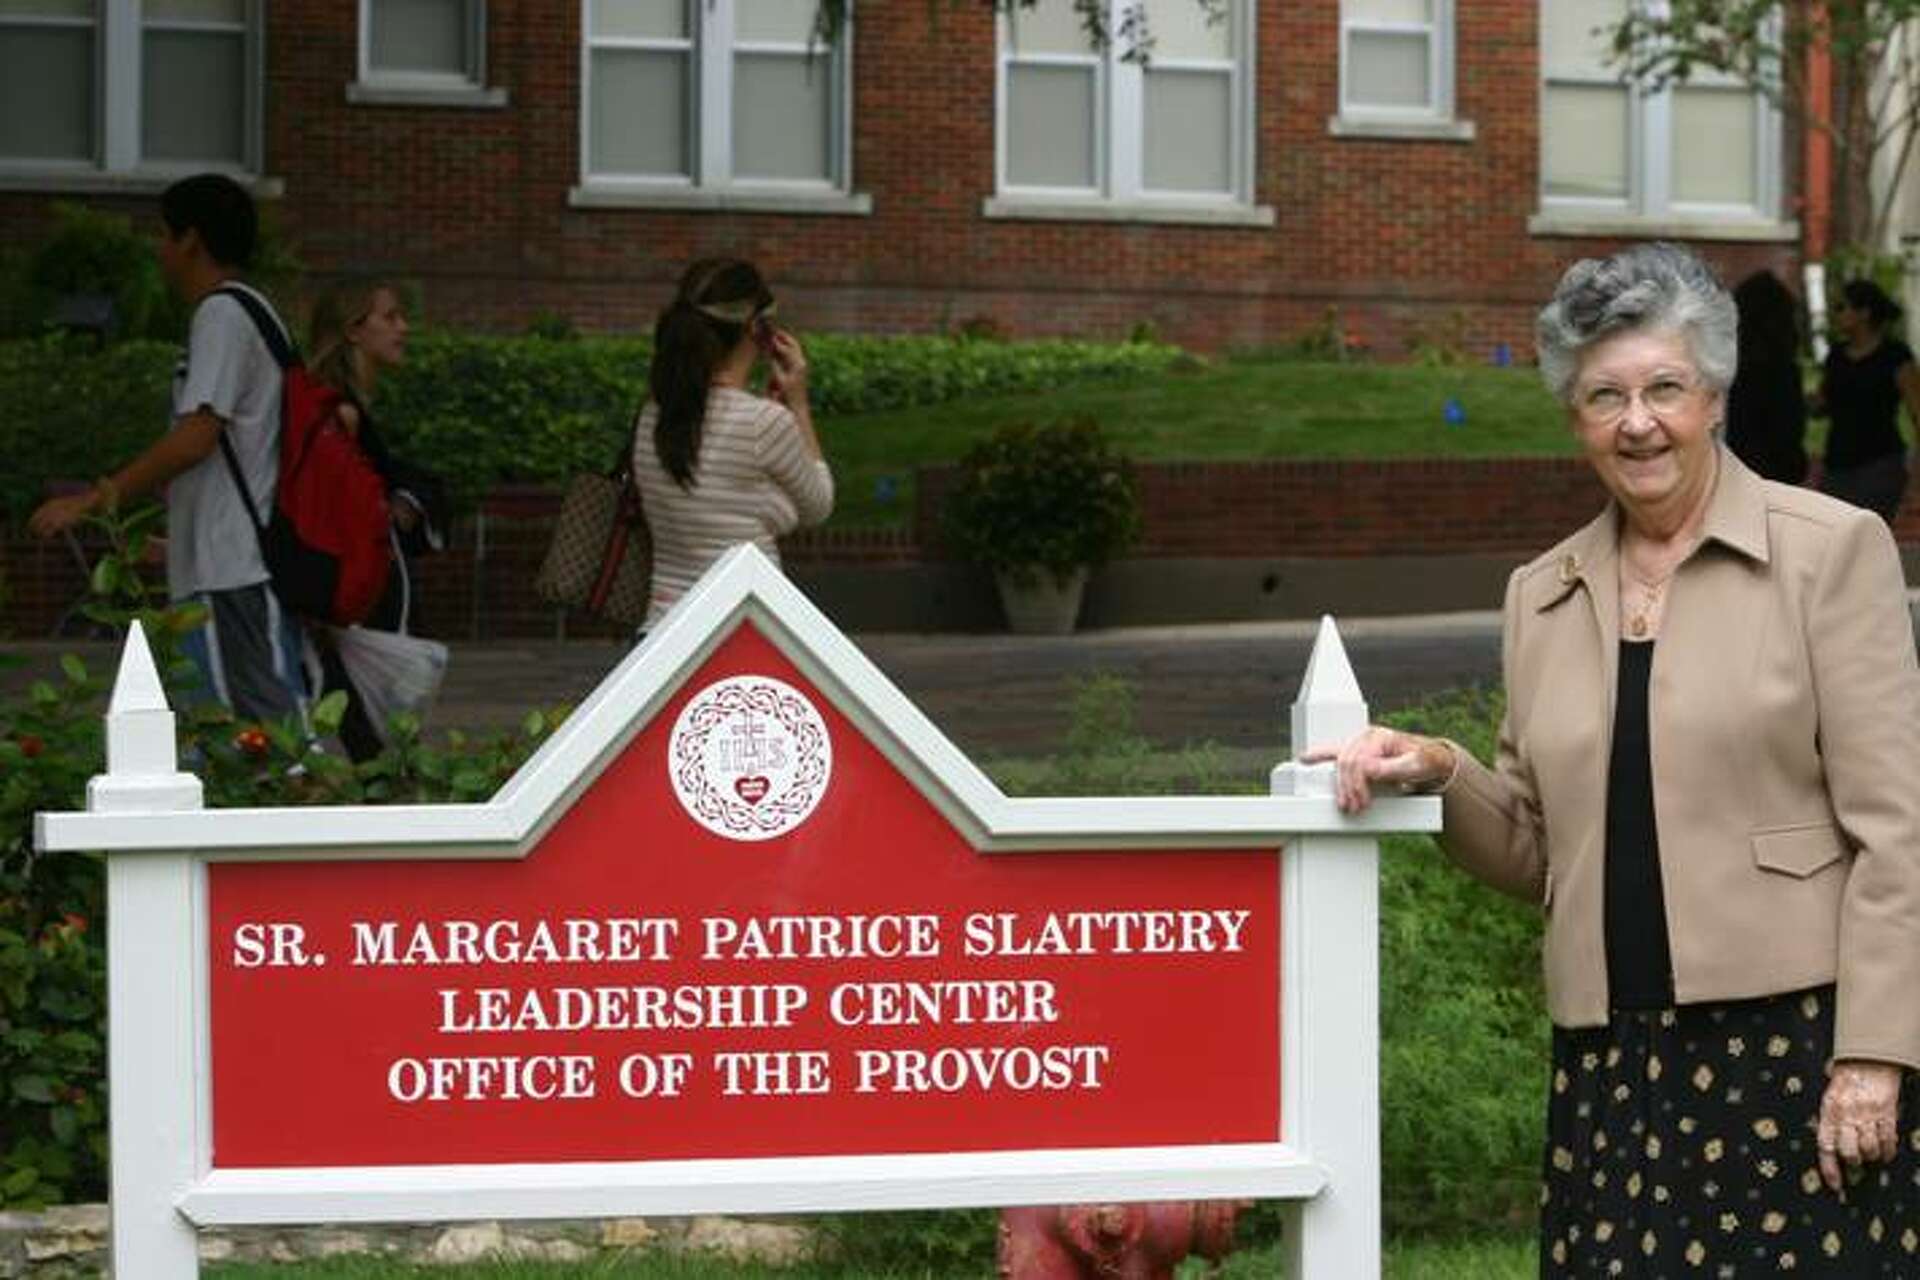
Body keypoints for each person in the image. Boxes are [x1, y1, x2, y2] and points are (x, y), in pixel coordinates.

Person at [1306, 244, 1919, 1275]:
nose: (1638, 421)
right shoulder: (1539, 594)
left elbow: (1895, 828)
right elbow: (1544, 851)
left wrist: (1873, 1054)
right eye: (1606, 396)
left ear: (1714, 395)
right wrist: (1443, 767)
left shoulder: (1830, 551)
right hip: (1611, 1064)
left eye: (1664, 387)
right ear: (1575, 418)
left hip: (1794, 1051)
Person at [28, 173, 305, 723]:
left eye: (163, 235)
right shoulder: (253, 314)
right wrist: (172, 541)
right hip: (227, 564)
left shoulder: (222, 314)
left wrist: (93, 500)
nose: (159, 251)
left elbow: (197, 438)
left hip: (231, 572)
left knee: (268, 744)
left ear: (191, 240)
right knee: (227, 743)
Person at [633, 258, 832, 629]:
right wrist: (799, 406)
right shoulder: (765, 424)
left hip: (660, 629)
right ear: (757, 330)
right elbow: (818, 505)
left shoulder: (651, 416)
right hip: (743, 630)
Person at [305, 279, 449, 761]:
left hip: (357, 587)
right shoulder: (341, 413)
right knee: (371, 726)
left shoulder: (347, 407)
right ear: (353, 331)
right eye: (389, 317)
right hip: (358, 593)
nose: (402, 328)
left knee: (365, 719)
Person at [1816, 278, 1920, 522]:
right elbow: (1823, 402)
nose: (1836, 314)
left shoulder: (1895, 356)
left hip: (1879, 462)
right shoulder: (1836, 356)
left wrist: (1916, 473)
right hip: (1837, 463)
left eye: (1842, 308)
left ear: (1864, 313)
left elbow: (1916, 410)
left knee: (1867, 537)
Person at [1724, 269, 1808, 484]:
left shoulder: (1728, 368)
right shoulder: (1785, 371)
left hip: (1735, 470)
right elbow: (1790, 430)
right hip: (1780, 475)